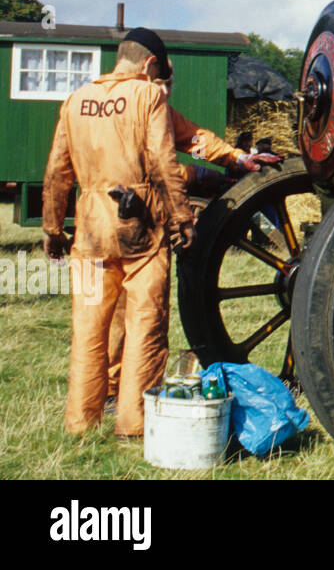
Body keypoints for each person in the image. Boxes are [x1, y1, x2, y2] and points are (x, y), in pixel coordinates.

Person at [42, 28, 194, 439]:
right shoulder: (149, 97)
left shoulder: (74, 101)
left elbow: (57, 172)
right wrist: (182, 216)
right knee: (146, 322)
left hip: (89, 229)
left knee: (89, 327)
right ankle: (133, 426)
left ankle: (80, 423)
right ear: (148, 65)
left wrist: (53, 229)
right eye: (156, 73)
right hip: (138, 227)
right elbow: (163, 160)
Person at [102, 69, 282, 405]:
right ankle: (116, 394)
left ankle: (116, 396)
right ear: (147, 75)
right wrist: (204, 179)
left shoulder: (145, 110)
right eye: (163, 86)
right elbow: (160, 170)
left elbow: (195, 142)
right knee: (131, 311)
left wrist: (237, 158)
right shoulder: (134, 110)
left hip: (112, 221)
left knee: (127, 312)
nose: (166, 94)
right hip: (127, 217)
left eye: (168, 88)